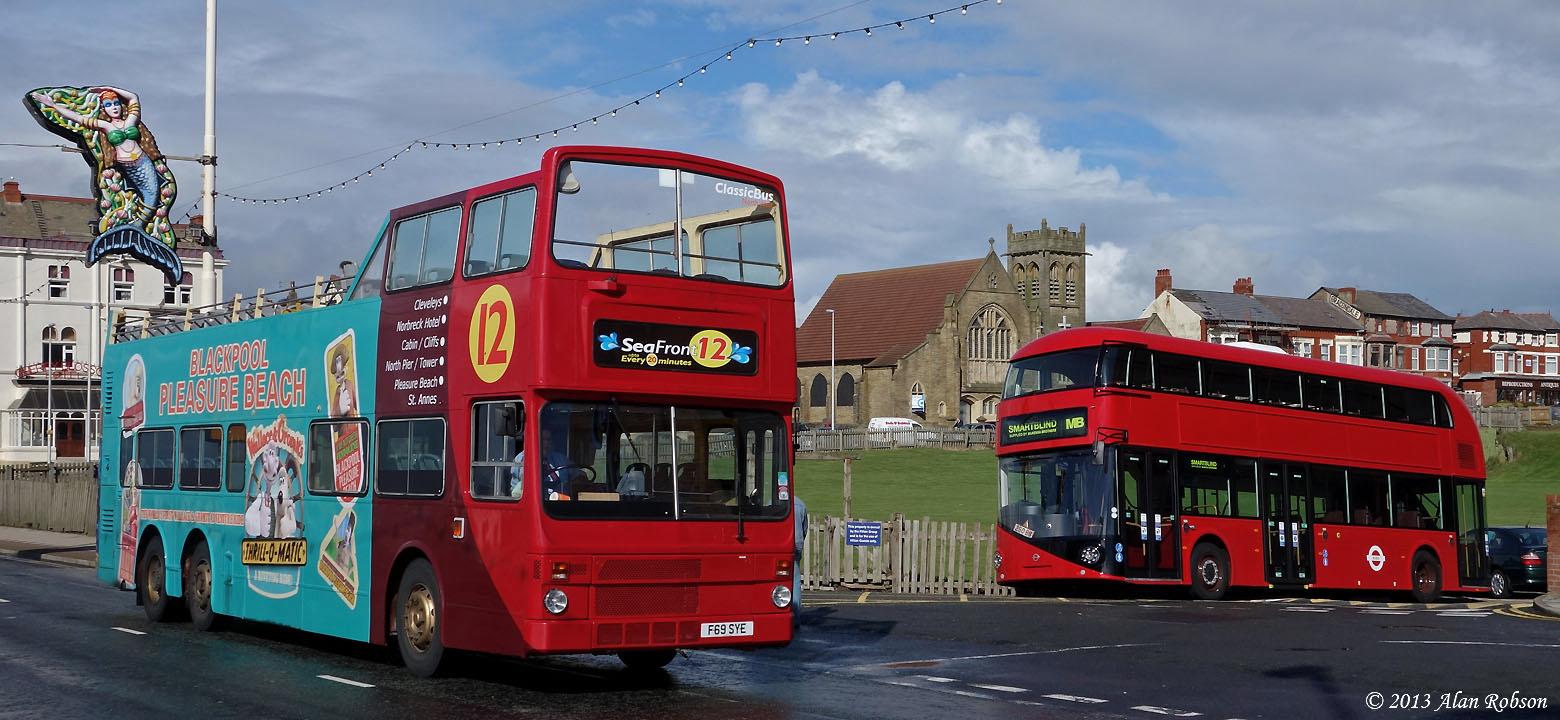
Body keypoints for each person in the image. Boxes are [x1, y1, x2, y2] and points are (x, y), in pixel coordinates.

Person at [31, 86, 162, 211]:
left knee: (153, 193)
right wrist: (53, 105)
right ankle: (139, 219)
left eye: (116, 103)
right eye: (109, 105)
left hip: (143, 161)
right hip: (126, 165)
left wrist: (107, 88)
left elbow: (133, 97)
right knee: (140, 194)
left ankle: (144, 218)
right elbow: (78, 118)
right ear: (104, 109)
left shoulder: (130, 121)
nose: (114, 108)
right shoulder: (106, 126)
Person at [793, 495, 808, 627]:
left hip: (780, 544)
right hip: (796, 544)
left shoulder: (771, 502)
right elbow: (805, 528)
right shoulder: (800, 503)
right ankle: (796, 617)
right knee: (795, 581)